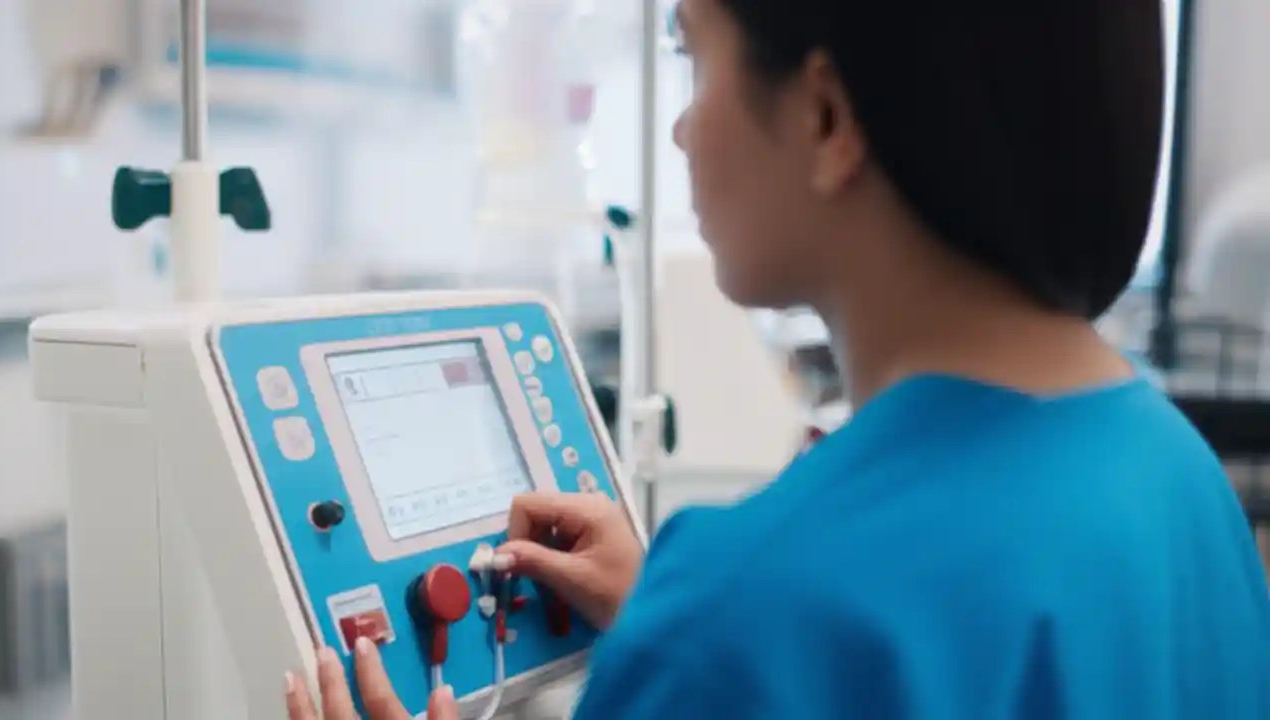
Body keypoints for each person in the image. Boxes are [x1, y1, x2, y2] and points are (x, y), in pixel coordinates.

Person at [288, 0, 1270, 717]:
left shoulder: (748, 614)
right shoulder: (1176, 476)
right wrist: (680, 634)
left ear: (824, 119)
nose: (678, 127)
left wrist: (700, 638)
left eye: (691, 54)